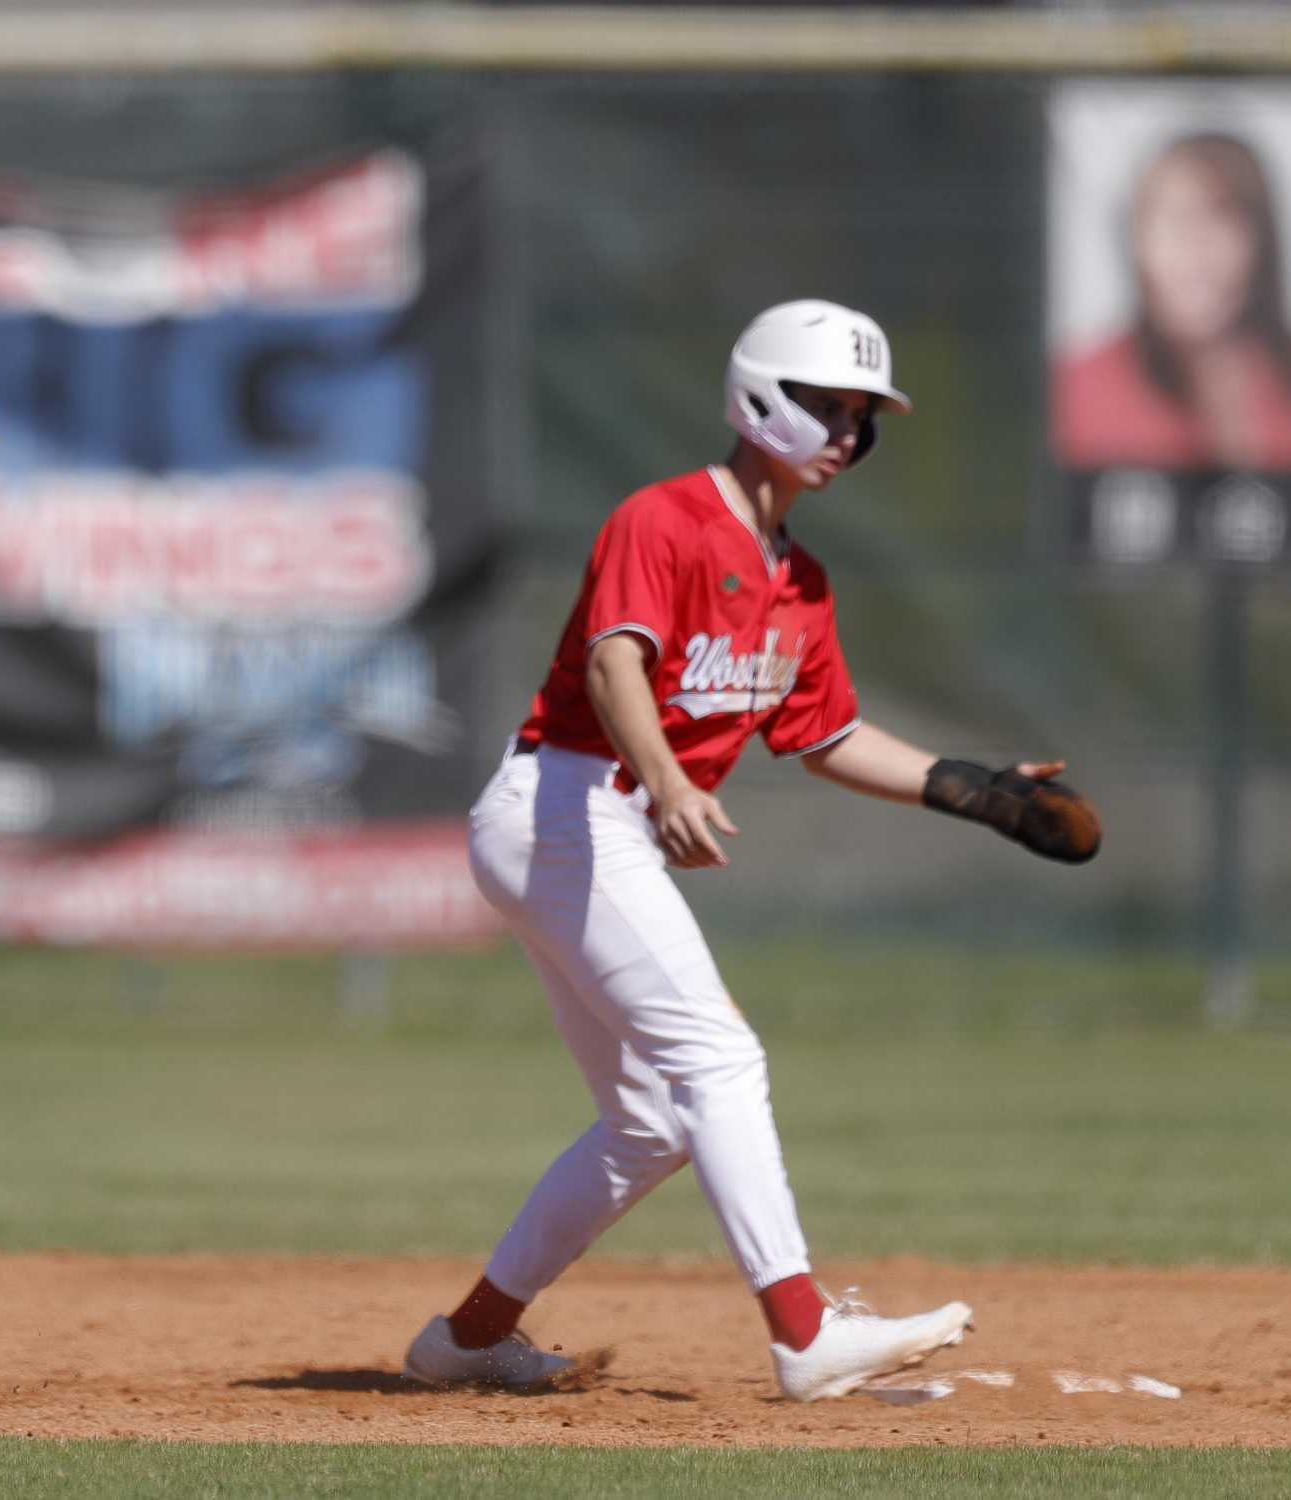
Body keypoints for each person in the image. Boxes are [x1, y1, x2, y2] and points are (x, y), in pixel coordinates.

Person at [402, 300, 1096, 1402]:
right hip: (562, 803)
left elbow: (824, 738)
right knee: (720, 1060)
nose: (844, 435)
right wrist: (668, 779)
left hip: (598, 820)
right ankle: (803, 1330)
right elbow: (611, 665)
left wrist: (972, 790)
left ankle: (470, 1338)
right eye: (824, 407)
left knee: (648, 1124)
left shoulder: (799, 583)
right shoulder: (666, 519)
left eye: (861, 418)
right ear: (755, 398)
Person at [1053, 130, 1291, 472]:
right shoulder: (1078, 385)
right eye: (1172, 219)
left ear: (1262, 240)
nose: (1194, 249)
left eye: (1220, 218)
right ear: (1136, 242)